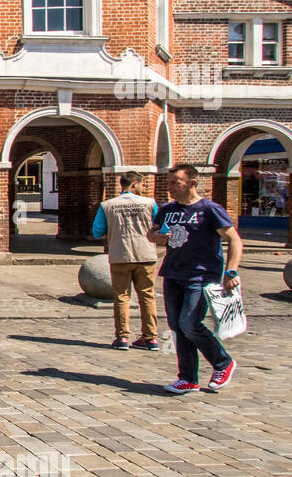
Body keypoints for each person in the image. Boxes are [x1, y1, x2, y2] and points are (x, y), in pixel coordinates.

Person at [148, 164, 244, 395]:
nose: (170, 188)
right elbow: (152, 233)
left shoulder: (209, 209)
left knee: (190, 323)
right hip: (172, 273)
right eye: (168, 182)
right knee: (177, 327)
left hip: (201, 275)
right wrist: (157, 236)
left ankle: (223, 362)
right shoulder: (168, 209)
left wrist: (231, 271)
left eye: (175, 183)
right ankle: (188, 378)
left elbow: (234, 240)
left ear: (191, 183)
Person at [92, 171, 159, 351]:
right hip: (145, 254)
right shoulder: (150, 203)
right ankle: (150, 337)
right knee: (147, 295)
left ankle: (122, 337)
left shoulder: (107, 205)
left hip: (120, 254)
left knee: (122, 297)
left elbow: (97, 231)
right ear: (134, 184)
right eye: (142, 185)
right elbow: (162, 228)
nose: (142, 188)